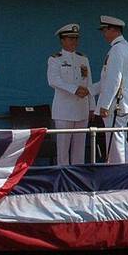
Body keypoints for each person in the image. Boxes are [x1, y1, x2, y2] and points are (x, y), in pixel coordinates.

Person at [46, 23, 93, 165]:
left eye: (76, 38)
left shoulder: (83, 59)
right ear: (62, 40)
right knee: (63, 149)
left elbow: (88, 83)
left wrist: (92, 107)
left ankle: (78, 179)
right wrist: (74, 89)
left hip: (82, 109)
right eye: (70, 38)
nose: (74, 42)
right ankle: (63, 178)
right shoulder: (55, 59)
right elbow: (53, 80)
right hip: (64, 110)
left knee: (79, 149)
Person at [94, 15, 128, 164]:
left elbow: (114, 80)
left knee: (115, 143)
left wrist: (104, 104)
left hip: (115, 104)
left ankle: (120, 175)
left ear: (113, 30)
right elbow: (107, 80)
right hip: (120, 102)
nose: (104, 34)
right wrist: (89, 90)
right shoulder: (123, 47)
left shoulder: (117, 50)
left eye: (105, 30)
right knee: (120, 140)